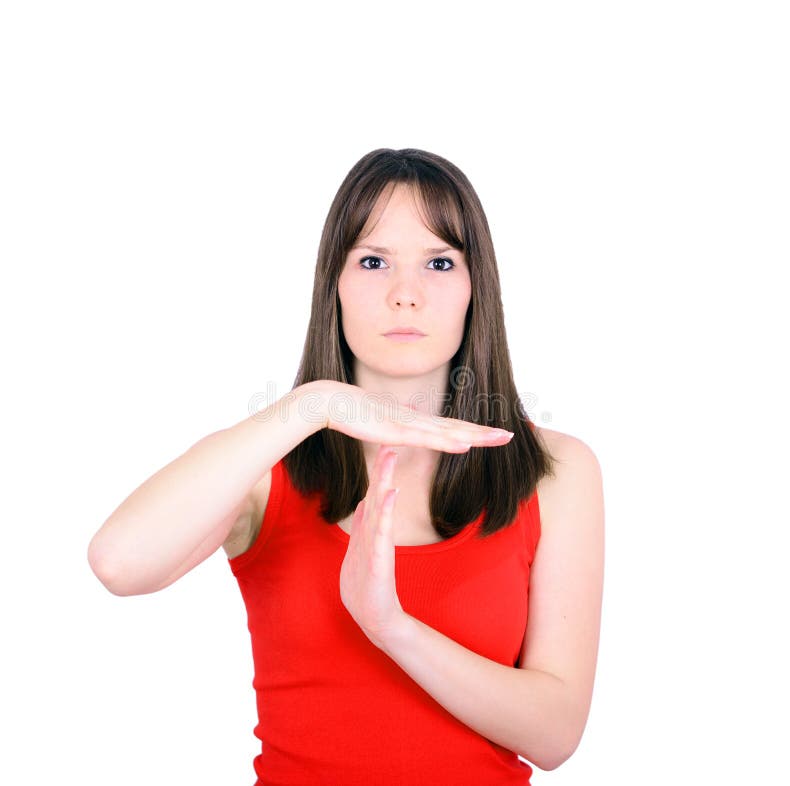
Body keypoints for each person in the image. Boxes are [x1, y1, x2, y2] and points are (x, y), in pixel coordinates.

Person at [87, 147, 605, 785]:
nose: (405, 294)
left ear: (477, 287)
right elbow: (118, 562)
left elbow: (556, 733)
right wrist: (315, 404)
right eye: (373, 261)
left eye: (439, 262)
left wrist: (391, 626)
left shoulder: (556, 470)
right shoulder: (265, 467)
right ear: (333, 280)